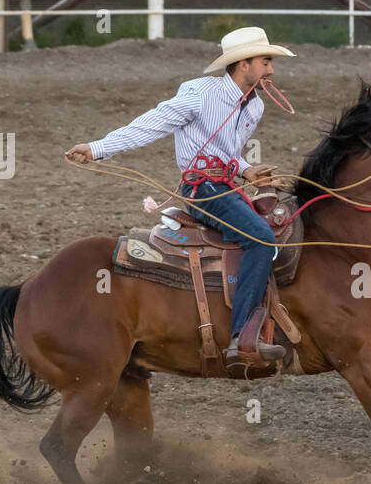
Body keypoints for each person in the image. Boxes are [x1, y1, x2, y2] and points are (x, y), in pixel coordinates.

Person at [66, 27, 295, 364]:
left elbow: (226, 151)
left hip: (225, 185)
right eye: (265, 61)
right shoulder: (200, 95)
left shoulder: (255, 106)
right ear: (243, 64)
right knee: (259, 237)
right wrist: (97, 148)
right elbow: (149, 125)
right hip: (201, 190)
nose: (271, 69)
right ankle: (241, 337)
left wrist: (245, 170)